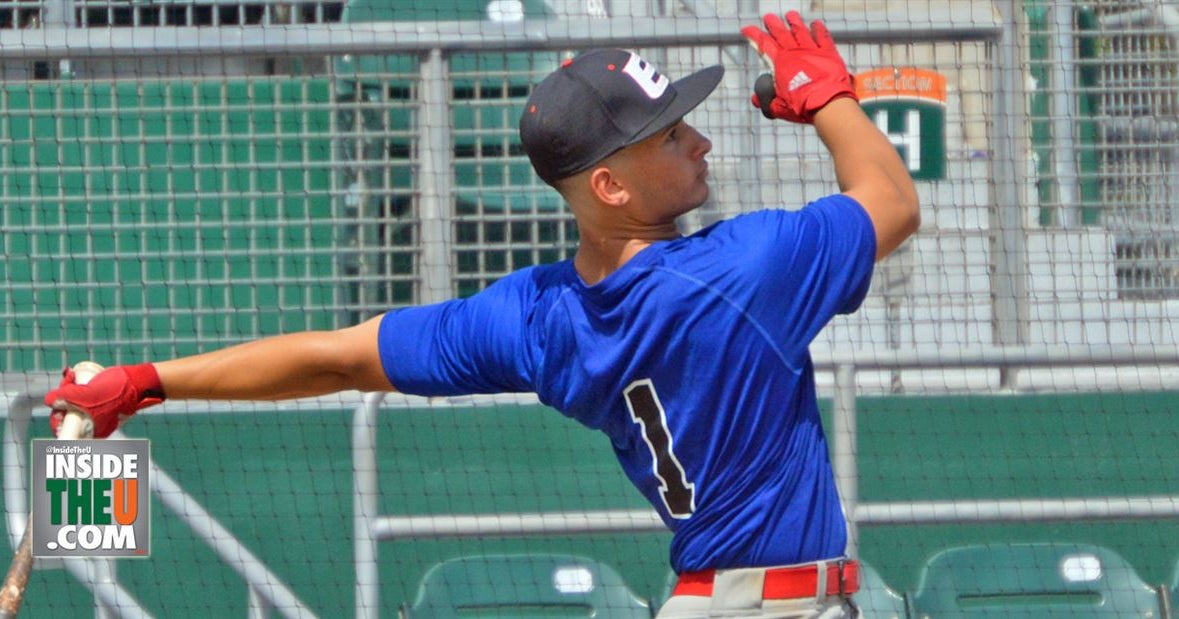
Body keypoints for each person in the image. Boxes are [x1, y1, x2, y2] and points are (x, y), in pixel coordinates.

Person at [45, 11, 918, 619]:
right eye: (667, 135)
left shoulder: (538, 318)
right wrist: (828, 99)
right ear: (608, 186)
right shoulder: (740, 270)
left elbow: (336, 358)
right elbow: (888, 200)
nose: (699, 140)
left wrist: (147, 381)